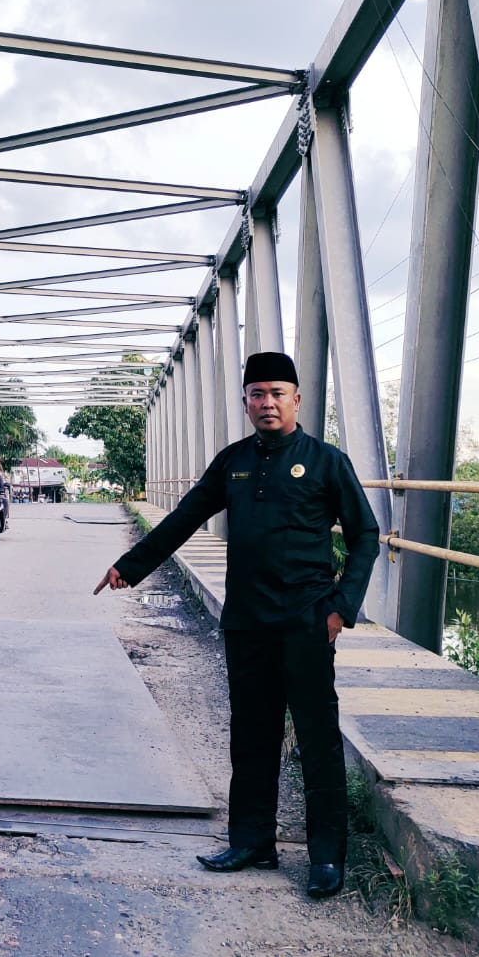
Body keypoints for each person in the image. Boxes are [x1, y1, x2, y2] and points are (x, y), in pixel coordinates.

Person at [92, 352, 379, 900]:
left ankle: (326, 856)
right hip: (246, 619)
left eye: (277, 393)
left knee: (317, 737)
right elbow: (184, 518)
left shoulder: (326, 462)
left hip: (307, 619)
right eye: (257, 394)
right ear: (245, 402)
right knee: (251, 734)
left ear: (297, 399)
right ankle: (252, 841)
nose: (267, 403)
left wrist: (342, 606)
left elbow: (366, 534)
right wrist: (129, 566)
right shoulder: (234, 462)